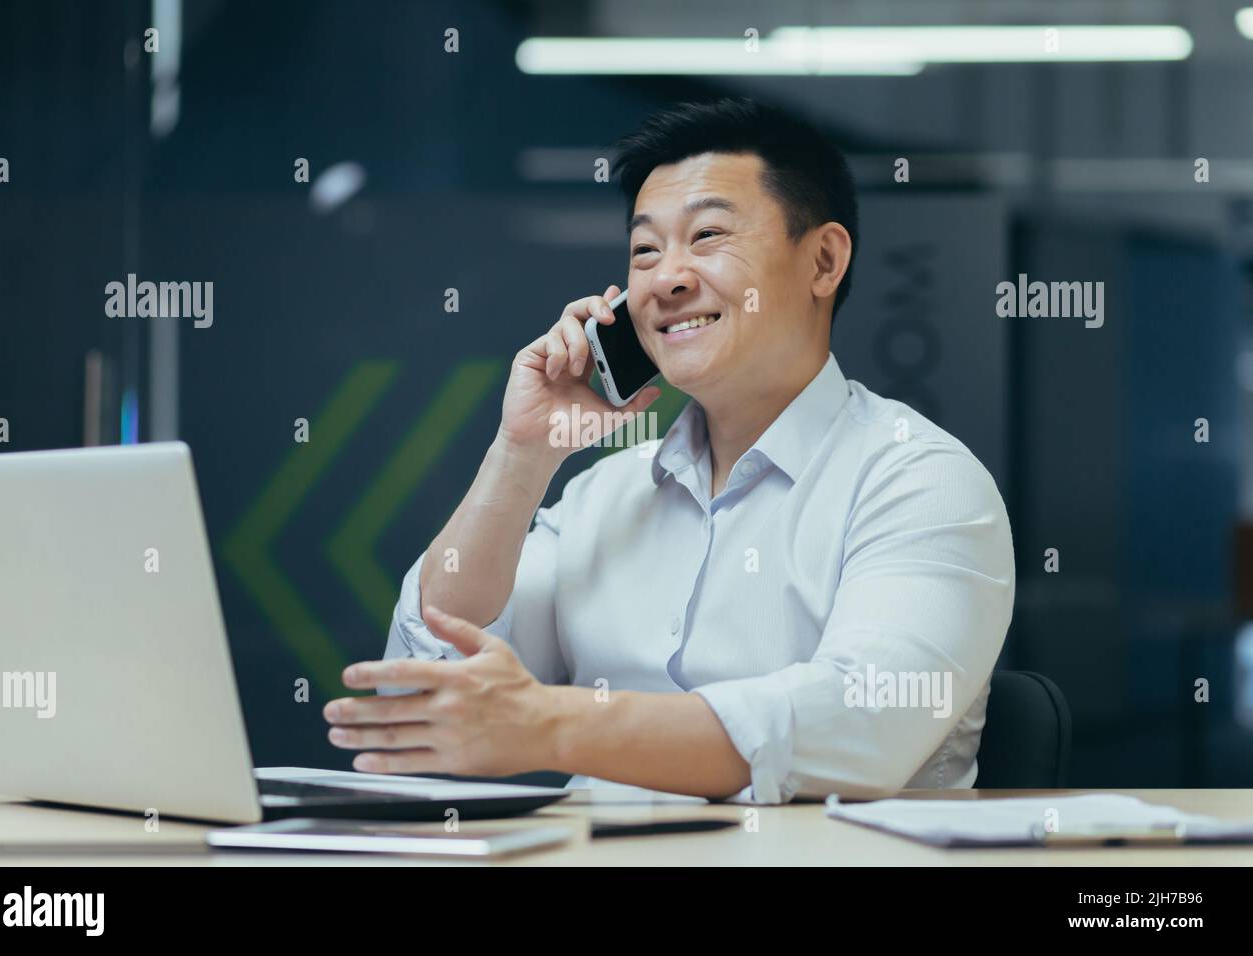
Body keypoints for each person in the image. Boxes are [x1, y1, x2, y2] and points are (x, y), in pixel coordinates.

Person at [323, 97, 1015, 803]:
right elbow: (414, 695)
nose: (666, 279)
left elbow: (860, 725)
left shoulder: (920, 482)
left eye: (708, 235)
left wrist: (550, 725)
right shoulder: (603, 495)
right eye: (645, 250)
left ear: (824, 260)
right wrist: (522, 454)